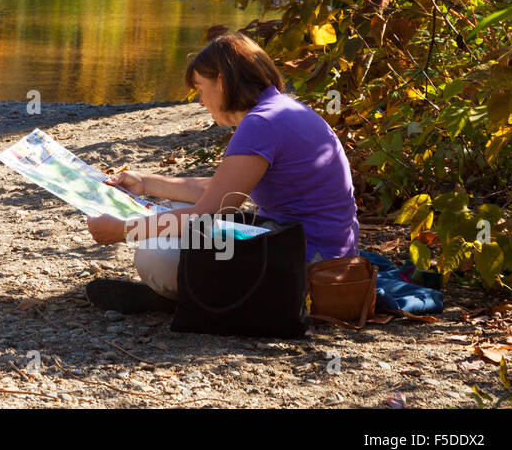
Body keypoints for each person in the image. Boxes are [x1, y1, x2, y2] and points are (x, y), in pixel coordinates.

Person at [83, 31, 359, 313]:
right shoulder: (279, 111)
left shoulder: (261, 124)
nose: (201, 102)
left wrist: (122, 230)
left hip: (308, 270)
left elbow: (208, 213)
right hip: (316, 254)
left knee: (154, 254)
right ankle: (196, 294)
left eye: (201, 88)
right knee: (170, 211)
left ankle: (193, 298)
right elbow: (219, 190)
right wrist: (144, 183)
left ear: (223, 81)